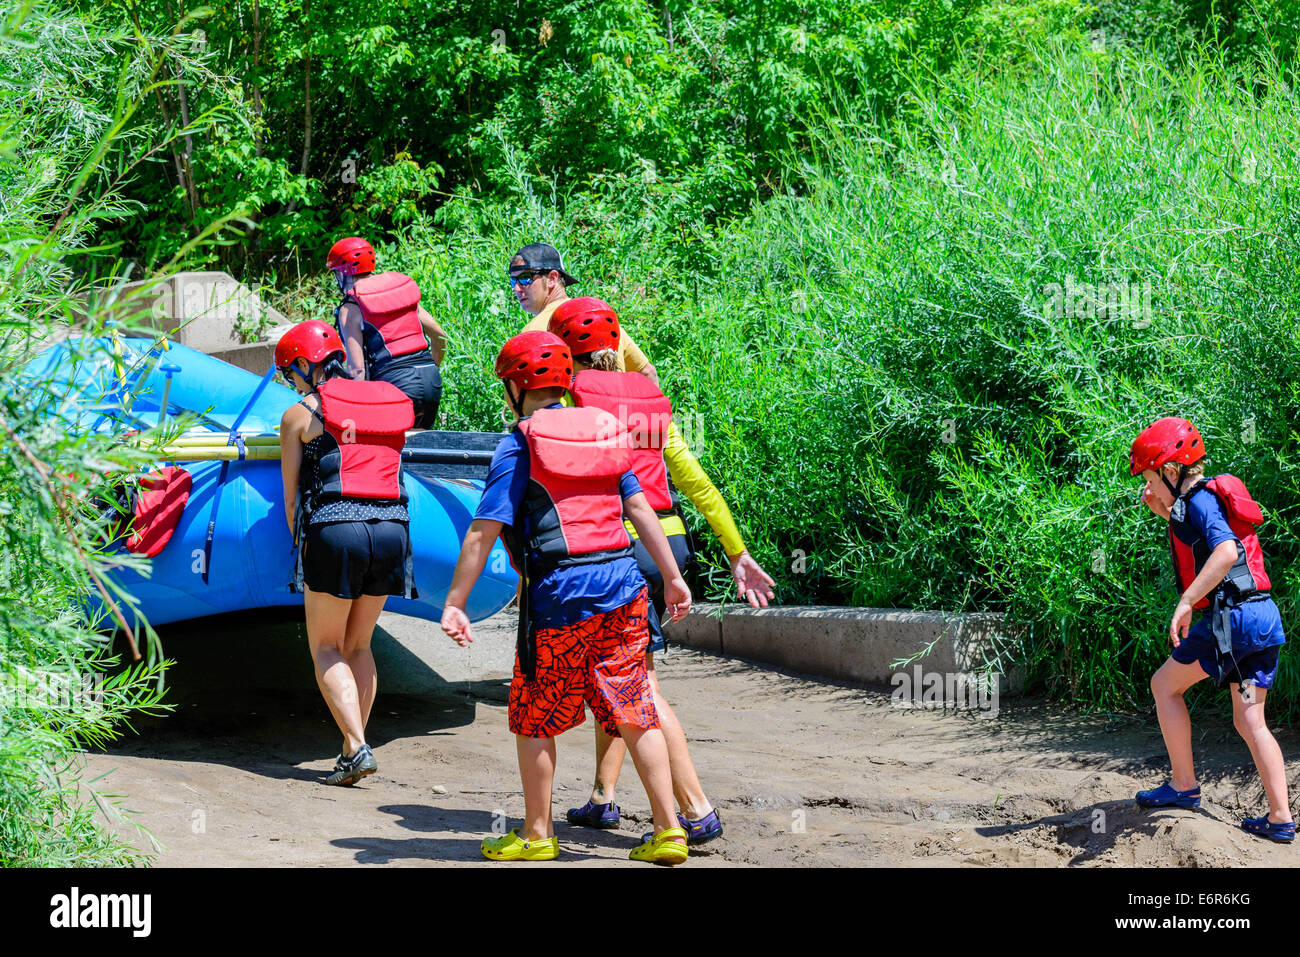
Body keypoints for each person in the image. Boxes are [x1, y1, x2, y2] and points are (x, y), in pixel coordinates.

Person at [440, 330, 692, 864]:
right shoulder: (605, 428)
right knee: (632, 706)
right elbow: (642, 510)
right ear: (564, 382)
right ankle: (669, 831)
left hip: (560, 596)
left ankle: (536, 836)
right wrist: (670, 576)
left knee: (533, 713)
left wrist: (456, 600)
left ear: (513, 385)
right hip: (625, 589)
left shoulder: (519, 443)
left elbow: (484, 529)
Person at [549, 296, 776, 845]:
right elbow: (696, 484)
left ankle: (696, 810)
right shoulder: (650, 402)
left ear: (564, 353)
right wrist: (736, 551)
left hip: (616, 549)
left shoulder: (567, 401)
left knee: (637, 687)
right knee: (619, 675)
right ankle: (604, 797)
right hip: (668, 543)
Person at [1130, 416, 1292, 842]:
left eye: (1150, 477)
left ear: (1170, 470)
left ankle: (1183, 787)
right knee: (1251, 720)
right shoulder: (1198, 501)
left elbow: (1223, 551)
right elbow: (1194, 530)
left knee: (1164, 685)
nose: (1147, 486)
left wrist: (1185, 602)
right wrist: (1162, 509)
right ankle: (1280, 819)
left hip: (1231, 623)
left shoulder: (1200, 500)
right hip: (1261, 619)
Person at [276, 320, 416, 786]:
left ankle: (356, 747)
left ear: (303, 366)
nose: (289, 383)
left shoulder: (300, 413)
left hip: (337, 529)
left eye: (288, 374)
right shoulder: (387, 398)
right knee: (359, 645)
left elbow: (293, 498)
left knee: (325, 646)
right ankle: (351, 746)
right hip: (394, 529)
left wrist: (297, 541)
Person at [327, 236, 446, 428]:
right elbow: (439, 335)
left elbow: (357, 369)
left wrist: (354, 413)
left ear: (342, 274)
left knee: (392, 452)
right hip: (431, 379)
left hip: (396, 386)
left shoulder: (351, 306)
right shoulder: (397, 292)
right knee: (421, 450)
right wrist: (433, 367)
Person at [508, 242, 659, 384]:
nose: (517, 288)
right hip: (616, 410)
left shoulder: (533, 333)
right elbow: (648, 373)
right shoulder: (600, 318)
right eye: (514, 281)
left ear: (552, 278)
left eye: (525, 279)